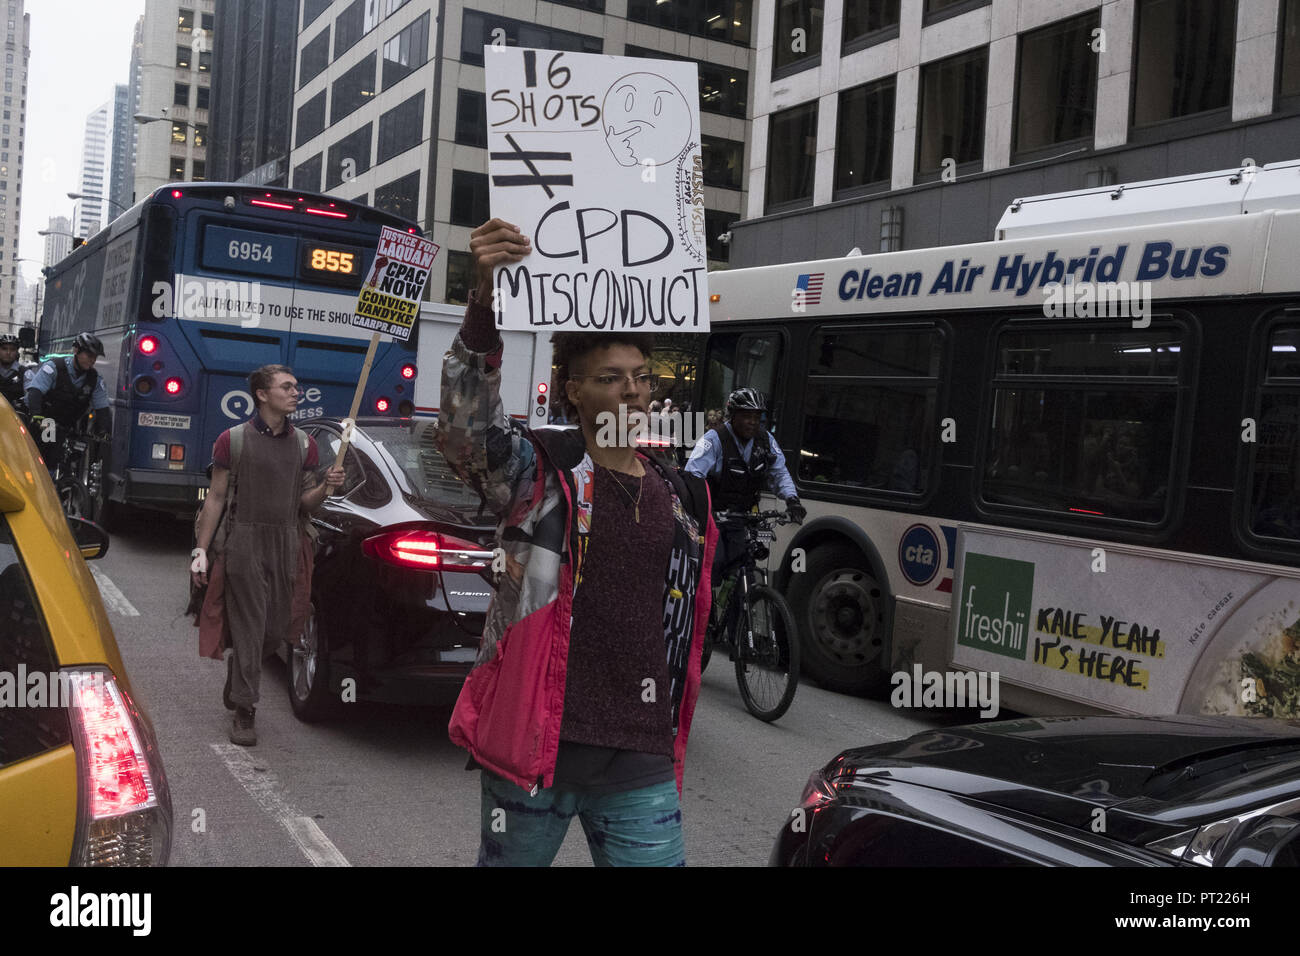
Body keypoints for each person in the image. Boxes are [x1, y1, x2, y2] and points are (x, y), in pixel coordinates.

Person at [438, 218, 718, 867]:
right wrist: (483, 300)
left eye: (641, 376)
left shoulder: (682, 498)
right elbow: (463, 435)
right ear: (573, 390)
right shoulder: (541, 476)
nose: (631, 388)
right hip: (536, 751)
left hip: (640, 755)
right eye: (610, 377)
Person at [190, 364, 343, 746]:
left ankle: (237, 677)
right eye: (287, 387)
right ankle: (245, 710)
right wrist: (201, 550)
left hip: (287, 542)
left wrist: (326, 487)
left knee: (275, 630)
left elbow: (305, 504)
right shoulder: (232, 440)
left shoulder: (305, 445)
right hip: (243, 541)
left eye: (296, 386)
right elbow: (217, 498)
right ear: (262, 394)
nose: (296, 392)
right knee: (250, 624)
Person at [685, 387, 806, 588]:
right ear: (733, 416)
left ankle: (740, 614)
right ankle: (706, 615)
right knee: (714, 566)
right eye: (746, 416)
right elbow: (693, 476)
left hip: (743, 519)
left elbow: (779, 472)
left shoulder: (765, 440)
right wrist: (701, 510)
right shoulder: (714, 440)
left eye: (757, 416)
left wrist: (792, 500)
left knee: (745, 570)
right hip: (714, 519)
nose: (752, 422)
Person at [24, 333, 113, 469]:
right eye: (89, 355)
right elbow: (35, 391)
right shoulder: (54, 367)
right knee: (45, 459)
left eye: (95, 357)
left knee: (74, 455)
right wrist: (36, 415)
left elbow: (102, 409)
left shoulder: (95, 379)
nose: (92, 360)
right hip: (45, 420)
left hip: (68, 424)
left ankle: (69, 482)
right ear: (76, 351)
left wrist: (104, 431)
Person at [0, 333, 29, 414]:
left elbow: (29, 398)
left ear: (17, 352)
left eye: (12, 349)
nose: (8, 352)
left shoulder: (25, 373)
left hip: (16, 419)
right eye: (4, 349)